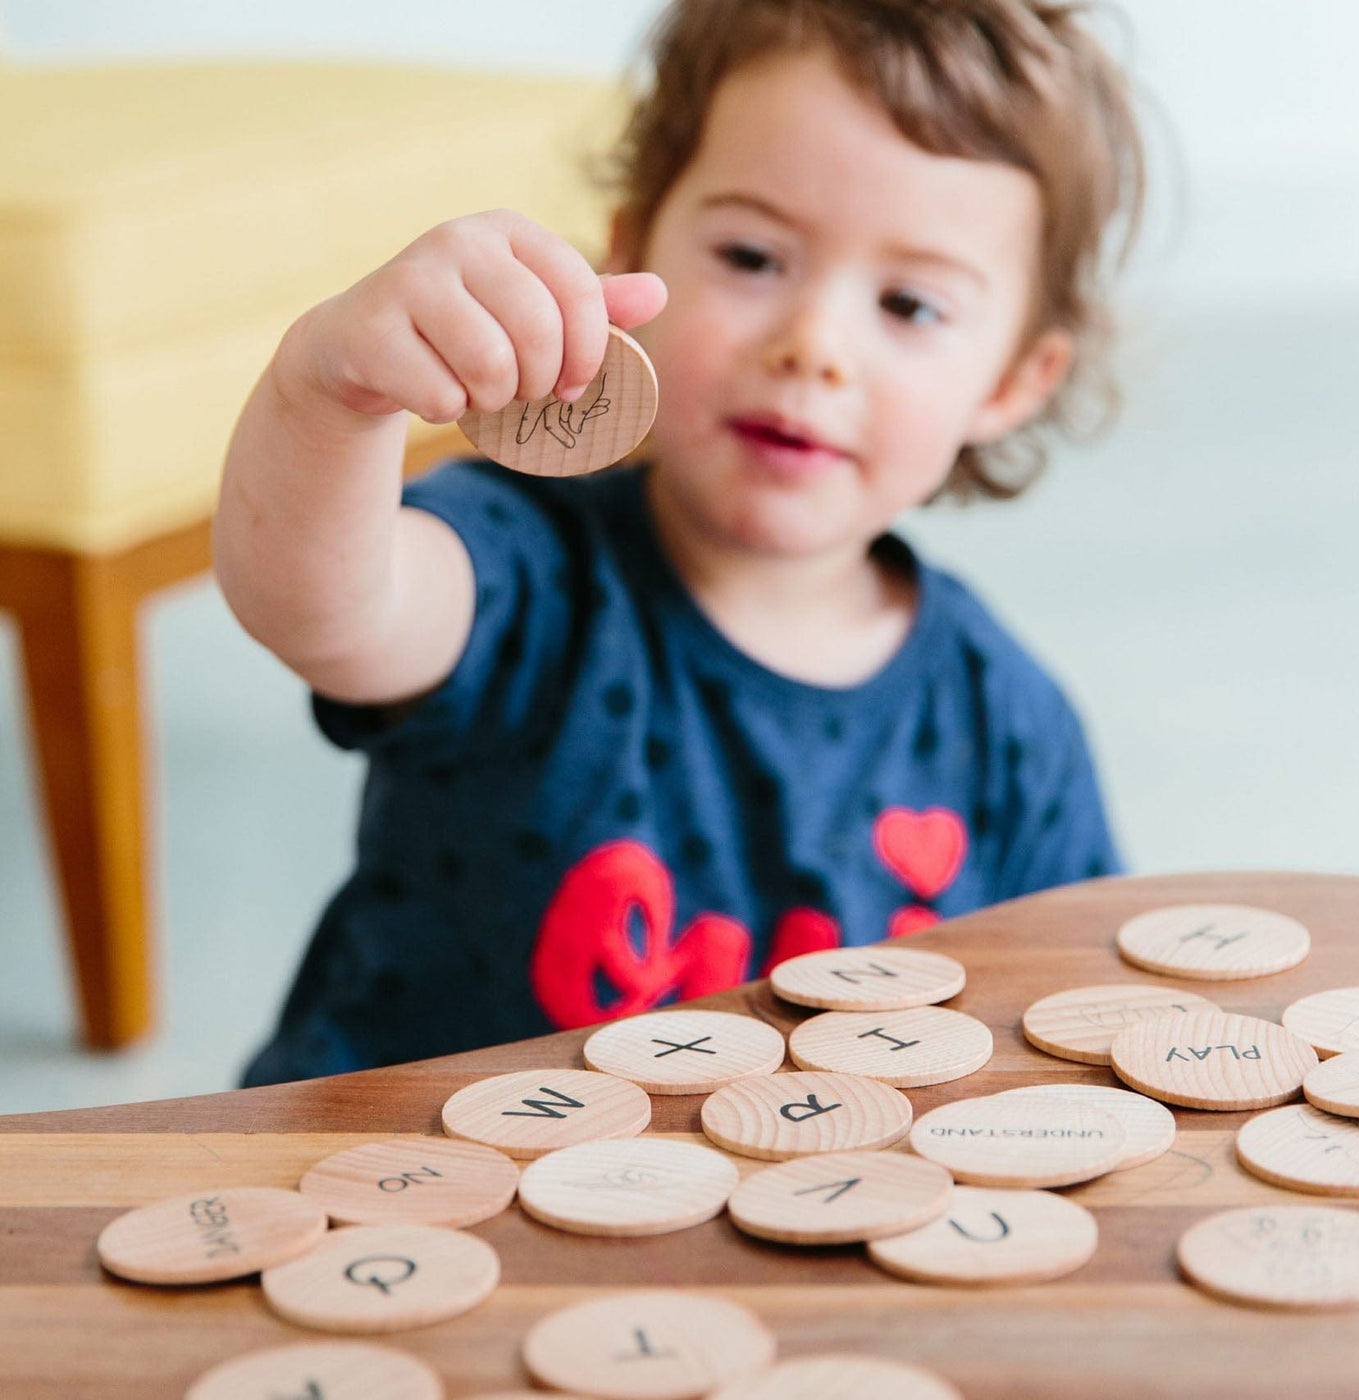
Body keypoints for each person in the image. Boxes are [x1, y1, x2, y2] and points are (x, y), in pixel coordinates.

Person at [216, 0, 1146, 1086]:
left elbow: (1080, 1016)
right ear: (628, 251)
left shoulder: (1005, 720)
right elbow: (320, 605)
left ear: (1010, 381)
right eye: (752, 255)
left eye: (908, 303)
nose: (814, 347)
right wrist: (328, 396)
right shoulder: (520, 570)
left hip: (776, 1218)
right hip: (408, 1189)